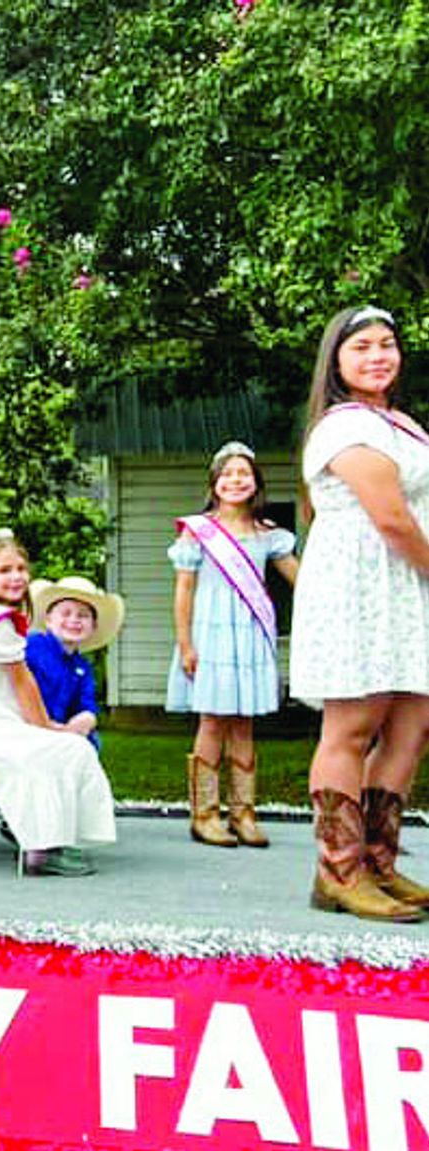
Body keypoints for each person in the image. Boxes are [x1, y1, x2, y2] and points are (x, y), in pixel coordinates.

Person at [291, 305, 429, 923]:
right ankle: (338, 870)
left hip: (404, 583)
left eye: (387, 344)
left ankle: (377, 859)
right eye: (362, 347)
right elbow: (392, 519)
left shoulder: (397, 422)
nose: (378, 356)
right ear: (338, 363)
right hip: (359, 580)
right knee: (354, 722)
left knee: (412, 720)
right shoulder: (344, 427)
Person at [0, 529, 117, 876]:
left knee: (67, 746)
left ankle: (41, 833)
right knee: (67, 748)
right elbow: (23, 683)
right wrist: (47, 728)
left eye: (21, 568)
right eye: (4, 570)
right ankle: (43, 847)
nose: (17, 577)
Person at [165, 443, 299, 849]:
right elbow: (183, 593)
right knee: (212, 721)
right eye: (228, 474)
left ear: (256, 482)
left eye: (244, 473)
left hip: (250, 634)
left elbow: (304, 583)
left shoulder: (269, 535)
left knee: (244, 722)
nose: (236, 480)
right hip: (210, 635)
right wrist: (186, 643)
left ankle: (244, 813)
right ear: (214, 483)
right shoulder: (198, 531)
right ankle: (205, 815)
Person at [25, 576, 125, 750]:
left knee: (90, 742)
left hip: (61, 731)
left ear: (93, 626)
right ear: (48, 620)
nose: (74, 620)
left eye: (83, 615)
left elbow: (86, 705)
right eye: (66, 613)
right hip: (27, 726)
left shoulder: (82, 667)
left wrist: (87, 718)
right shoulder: (31, 647)